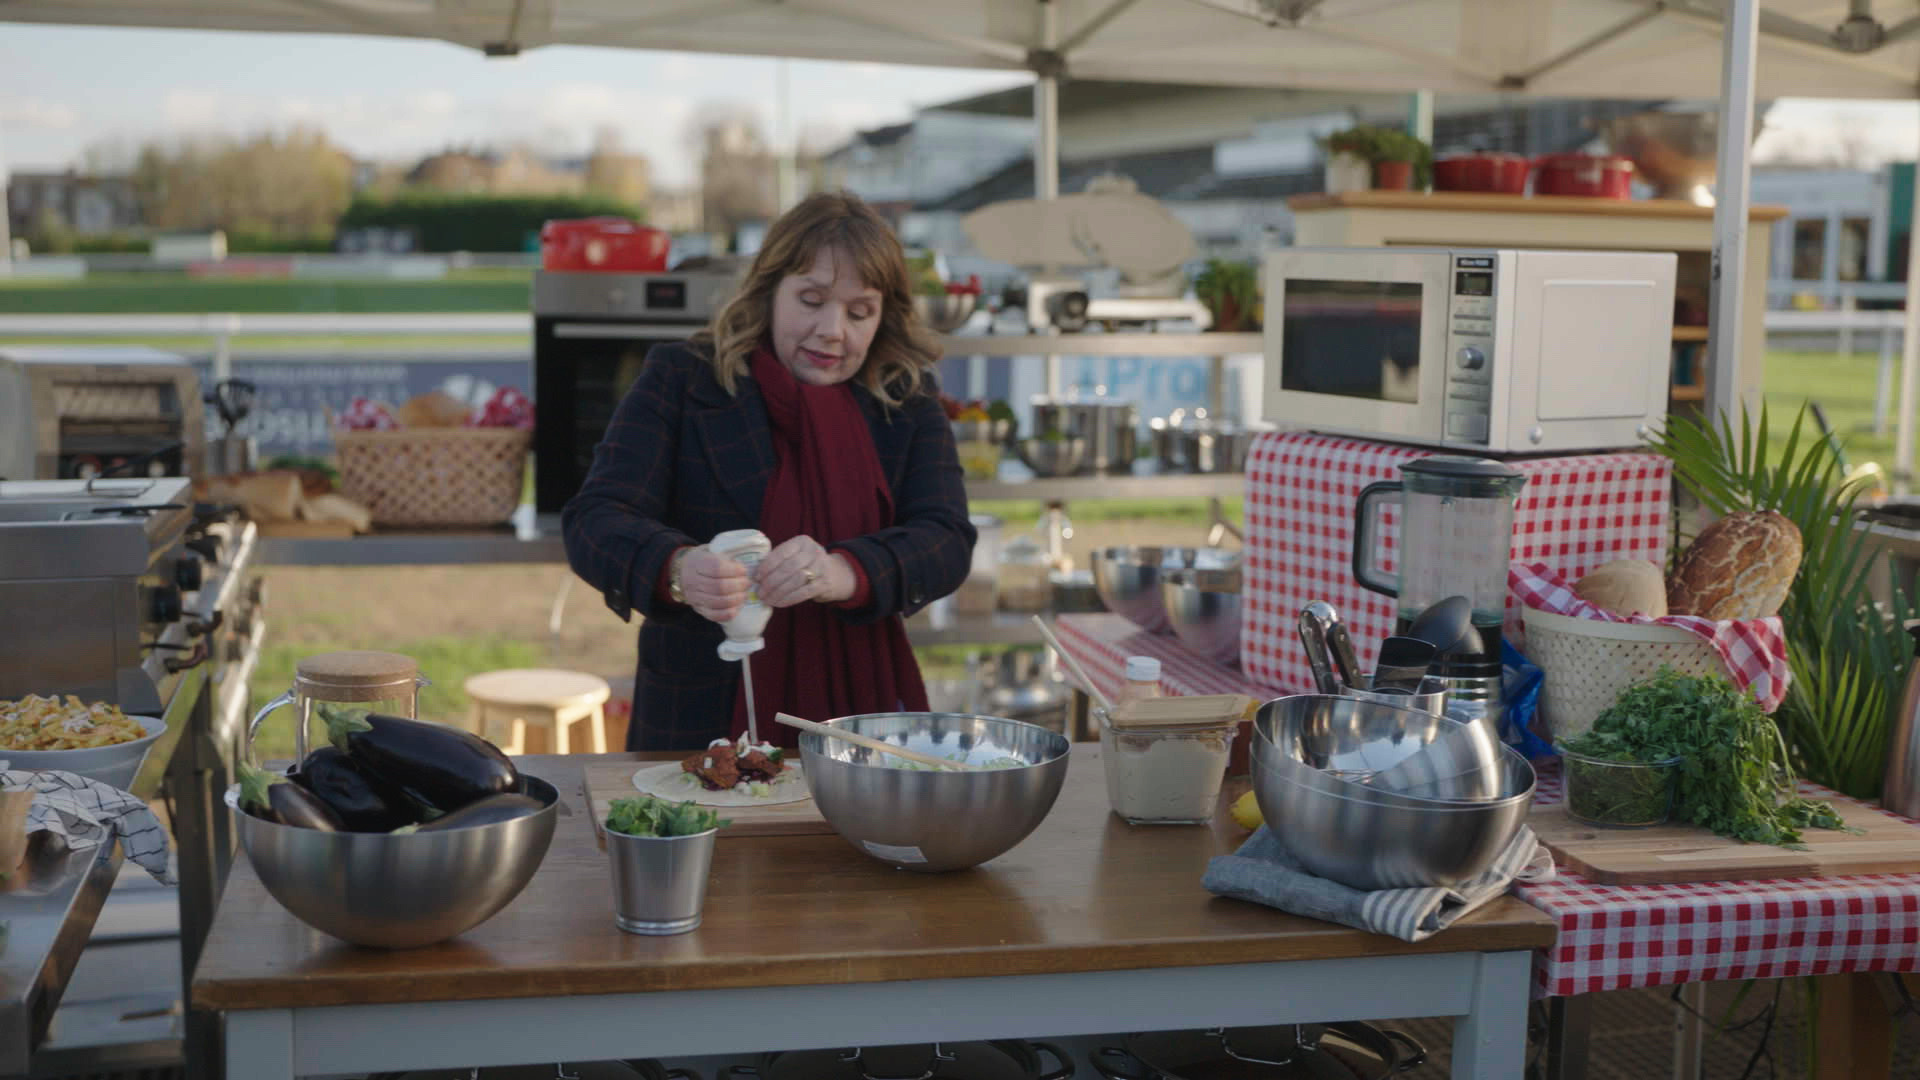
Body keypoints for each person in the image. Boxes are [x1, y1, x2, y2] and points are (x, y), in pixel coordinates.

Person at [562, 191, 976, 752]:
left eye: (859, 311)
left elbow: (946, 538)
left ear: (884, 316)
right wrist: (679, 567)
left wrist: (843, 571)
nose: (834, 330)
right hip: (697, 718)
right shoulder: (683, 380)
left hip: (859, 721)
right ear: (768, 292)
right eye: (811, 299)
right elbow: (595, 518)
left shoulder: (905, 400)